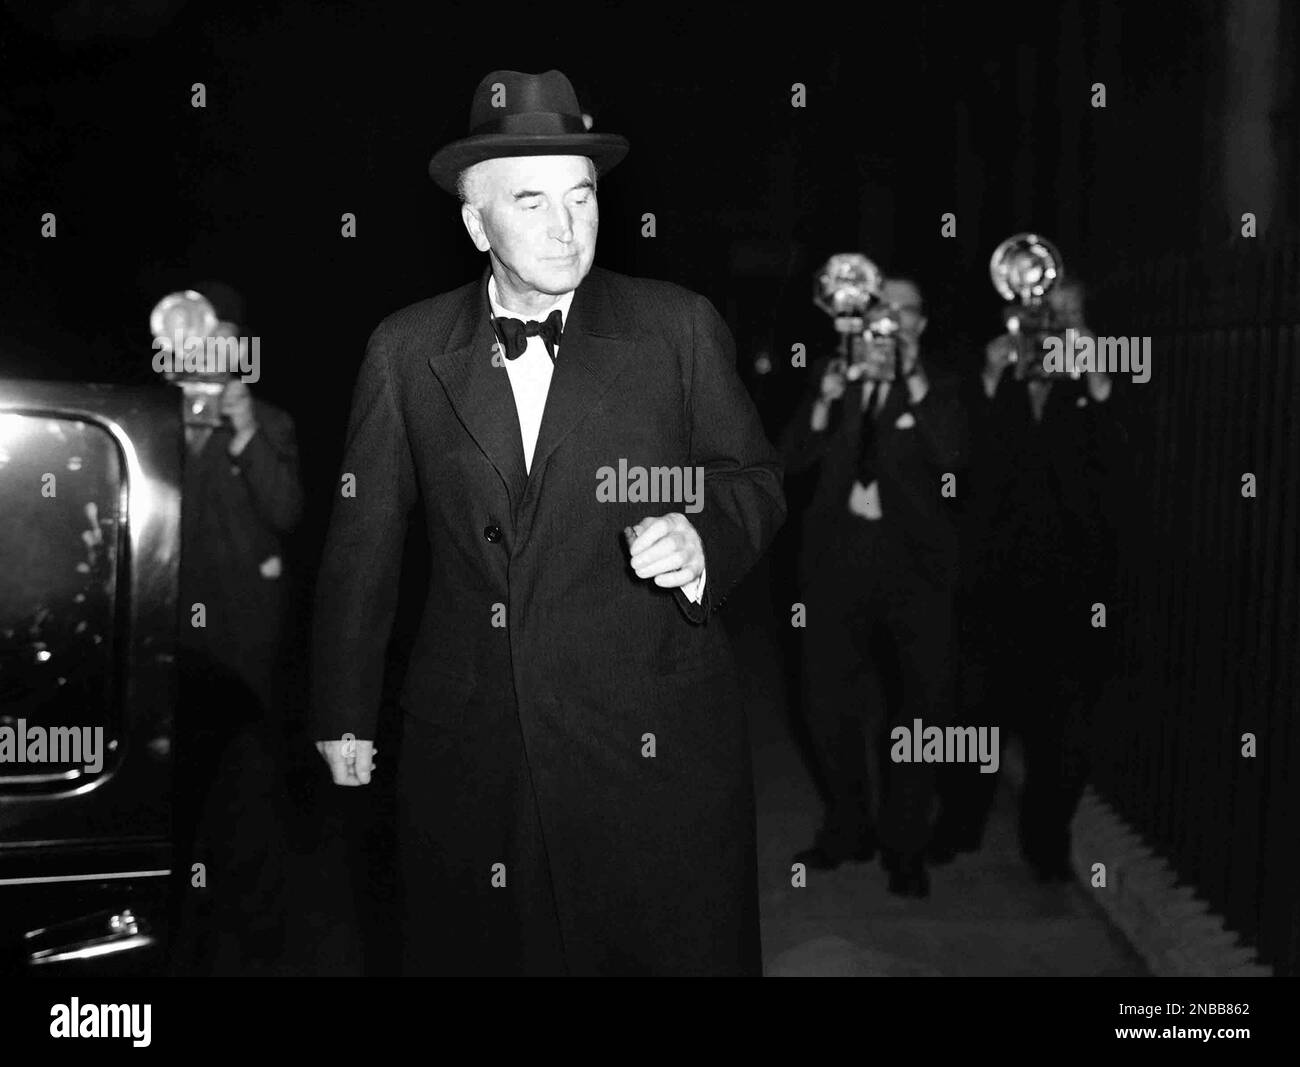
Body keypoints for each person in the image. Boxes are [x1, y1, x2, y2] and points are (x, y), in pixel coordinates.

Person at [310, 69, 785, 976]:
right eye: (531, 202)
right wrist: (344, 712)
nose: (568, 228)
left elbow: (752, 476)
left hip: (652, 742)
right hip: (480, 746)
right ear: (475, 223)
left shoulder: (675, 328)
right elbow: (361, 541)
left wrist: (702, 535)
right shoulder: (406, 350)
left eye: (582, 196)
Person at [935, 277, 1127, 880]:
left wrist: (1097, 380)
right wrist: (992, 378)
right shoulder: (992, 381)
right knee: (975, 716)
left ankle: (1047, 840)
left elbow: (1124, 467)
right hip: (995, 583)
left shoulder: (1097, 386)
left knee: (1064, 731)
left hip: (1073, 590)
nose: (1055, 324)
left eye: (1069, 312)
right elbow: (958, 463)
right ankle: (961, 822)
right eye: (1044, 311)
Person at [781, 277, 967, 897]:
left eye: (902, 310)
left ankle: (905, 844)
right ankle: (847, 826)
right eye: (878, 307)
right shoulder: (840, 376)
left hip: (918, 572)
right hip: (836, 566)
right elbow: (790, 459)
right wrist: (822, 401)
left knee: (920, 713)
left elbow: (955, 460)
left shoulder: (941, 383)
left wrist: (913, 382)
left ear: (920, 322)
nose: (888, 319)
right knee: (824, 704)